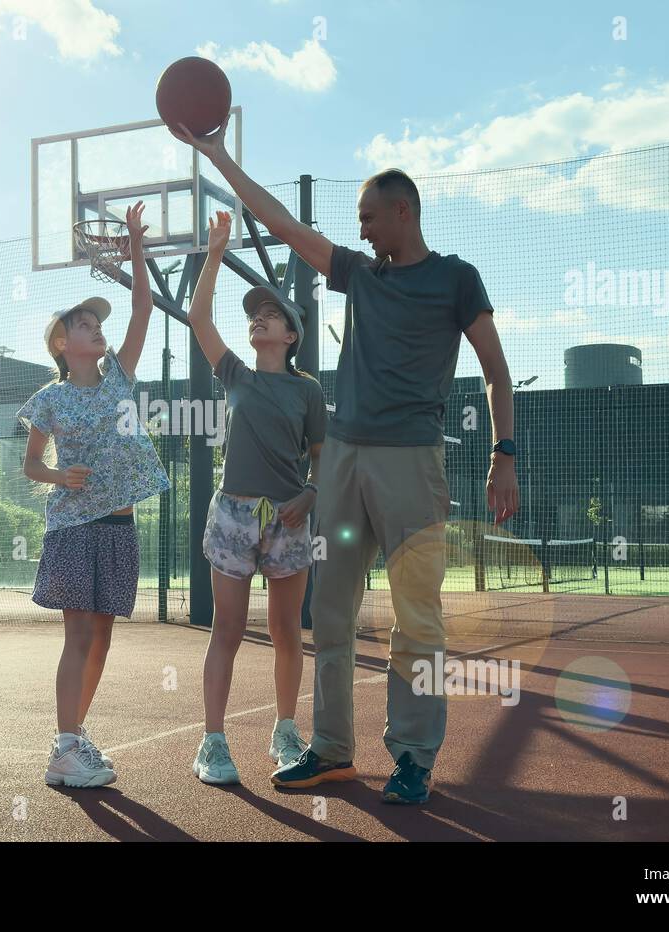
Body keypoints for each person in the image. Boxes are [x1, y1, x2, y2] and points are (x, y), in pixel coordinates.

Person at [172, 118, 519, 805]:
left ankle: (414, 756)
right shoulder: (357, 273)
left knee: (416, 617)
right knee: (328, 616)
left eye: (368, 217)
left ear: (402, 210)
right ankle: (330, 751)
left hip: (412, 463)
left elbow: (496, 372)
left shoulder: (456, 279)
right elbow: (278, 219)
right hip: (345, 466)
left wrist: (504, 453)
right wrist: (218, 156)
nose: (359, 231)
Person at [17, 203, 170, 788]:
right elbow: (31, 463)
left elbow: (143, 306)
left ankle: (74, 738)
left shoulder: (119, 377)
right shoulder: (49, 398)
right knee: (79, 635)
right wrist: (59, 477)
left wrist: (134, 243)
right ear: (61, 342)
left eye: (94, 322)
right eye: (83, 324)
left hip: (118, 527)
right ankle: (62, 747)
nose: (95, 327)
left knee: (102, 639)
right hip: (74, 530)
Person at [185, 210, 328, 784]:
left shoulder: (307, 391)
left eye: (270, 316)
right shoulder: (236, 375)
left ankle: (285, 729)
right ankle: (213, 741)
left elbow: (323, 456)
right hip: (234, 514)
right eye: (254, 316)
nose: (258, 321)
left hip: (290, 518)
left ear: (291, 335)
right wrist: (216, 251)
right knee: (227, 629)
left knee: (288, 632)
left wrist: (312, 495)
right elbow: (198, 316)